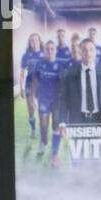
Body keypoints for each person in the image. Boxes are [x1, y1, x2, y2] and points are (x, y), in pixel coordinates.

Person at [56, 38, 101, 129]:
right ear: (80, 52)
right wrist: (62, 122)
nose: (88, 53)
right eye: (84, 50)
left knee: (99, 144)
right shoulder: (70, 73)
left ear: (96, 52)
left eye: (91, 50)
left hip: (100, 120)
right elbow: (63, 99)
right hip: (78, 121)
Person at [33, 38, 67, 167]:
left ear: (56, 51)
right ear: (44, 51)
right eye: (47, 49)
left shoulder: (61, 65)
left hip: (56, 100)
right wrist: (33, 97)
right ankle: (43, 141)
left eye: (52, 49)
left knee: (56, 125)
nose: (50, 51)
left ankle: (55, 153)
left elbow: (64, 83)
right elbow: (35, 80)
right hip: (43, 99)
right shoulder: (39, 64)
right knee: (43, 126)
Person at [19, 32, 43, 135]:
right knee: (31, 108)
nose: (34, 42)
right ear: (29, 43)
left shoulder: (45, 53)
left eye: (36, 40)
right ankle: (33, 128)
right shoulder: (26, 56)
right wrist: (21, 88)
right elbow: (22, 73)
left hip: (42, 84)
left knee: (42, 108)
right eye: (32, 40)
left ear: (39, 41)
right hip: (29, 83)